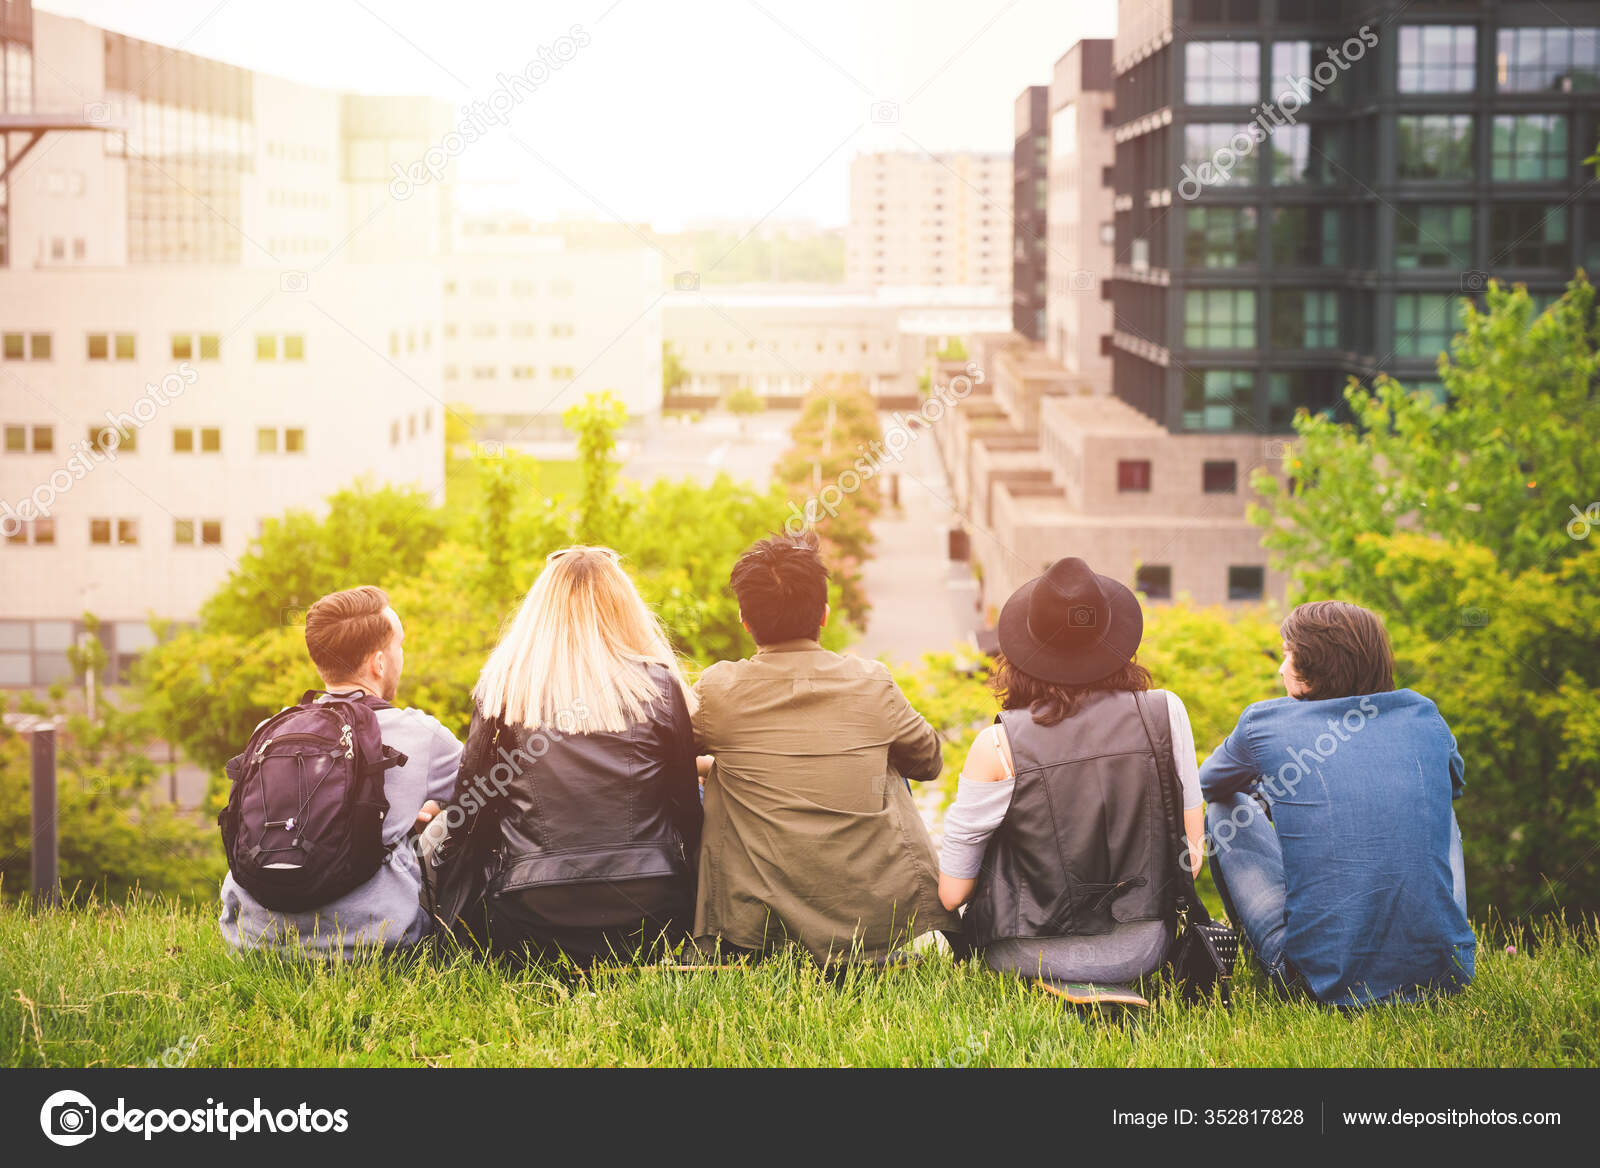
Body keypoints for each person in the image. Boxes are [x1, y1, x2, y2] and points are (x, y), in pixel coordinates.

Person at [937, 557, 1203, 1003]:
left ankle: (1070, 986)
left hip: (1030, 949)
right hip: (1143, 947)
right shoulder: (1164, 713)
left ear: (1024, 651)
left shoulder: (998, 744)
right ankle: (1101, 987)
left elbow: (951, 894)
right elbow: (1191, 859)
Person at [691, 532, 958, 965]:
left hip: (754, 927)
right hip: (871, 921)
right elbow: (928, 762)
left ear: (744, 618)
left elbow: (663, 759)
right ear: (825, 615)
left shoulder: (718, 690)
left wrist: (715, 767)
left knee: (719, 771)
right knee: (888, 760)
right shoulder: (872, 682)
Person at [431, 546, 701, 966]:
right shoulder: (658, 684)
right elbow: (687, 811)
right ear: (624, 607)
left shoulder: (504, 689)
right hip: (651, 916)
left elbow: (470, 811)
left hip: (531, 917)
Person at [1200, 601, 1474, 1008]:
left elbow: (1210, 783)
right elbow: (1451, 783)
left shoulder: (1264, 723)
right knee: (1439, 806)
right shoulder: (1423, 713)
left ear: (1314, 664)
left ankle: (1269, 962)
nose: (1281, 668)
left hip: (1315, 984)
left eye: (1287, 654)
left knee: (1225, 810)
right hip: (1444, 973)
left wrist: (1275, 789)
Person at [220, 585, 463, 957]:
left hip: (253, 944)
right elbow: (500, 792)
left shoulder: (268, 731)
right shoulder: (422, 735)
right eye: (400, 645)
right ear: (379, 663)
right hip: (373, 950)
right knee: (458, 819)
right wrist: (433, 811)